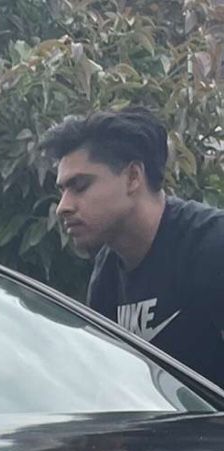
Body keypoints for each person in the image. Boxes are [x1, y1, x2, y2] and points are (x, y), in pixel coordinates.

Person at [41, 107, 224, 388]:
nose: (63, 207)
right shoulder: (106, 277)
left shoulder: (212, 248)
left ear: (133, 177)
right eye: (62, 191)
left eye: (79, 186)